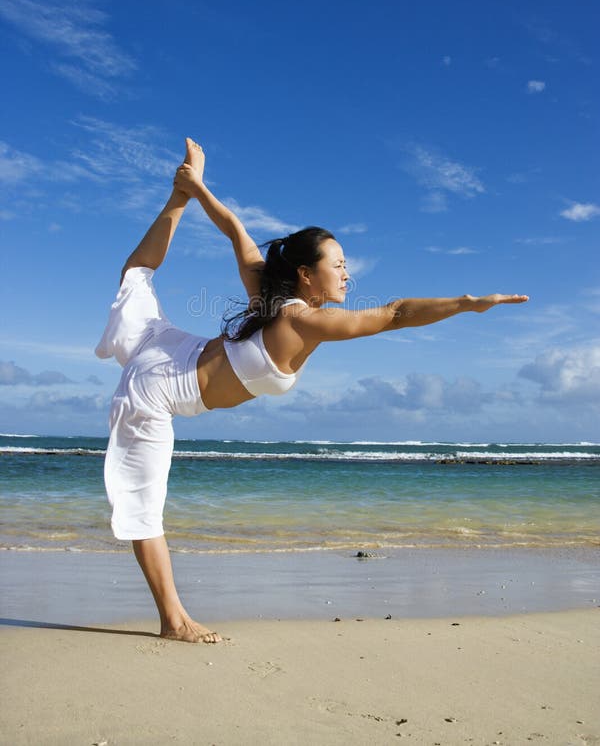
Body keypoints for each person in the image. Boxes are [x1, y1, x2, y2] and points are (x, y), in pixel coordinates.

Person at [96, 138, 529, 643]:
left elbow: (237, 232)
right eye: (338, 263)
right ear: (307, 275)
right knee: (143, 503)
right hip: (155, 389)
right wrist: (467, 302)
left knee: (135, 274)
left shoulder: (272, 297)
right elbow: (394, 313)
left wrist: (196, 189)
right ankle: (174, 620)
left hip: (171, 348)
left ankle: (176, 197)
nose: (348, 272)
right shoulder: (303, 320)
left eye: (346, 264)